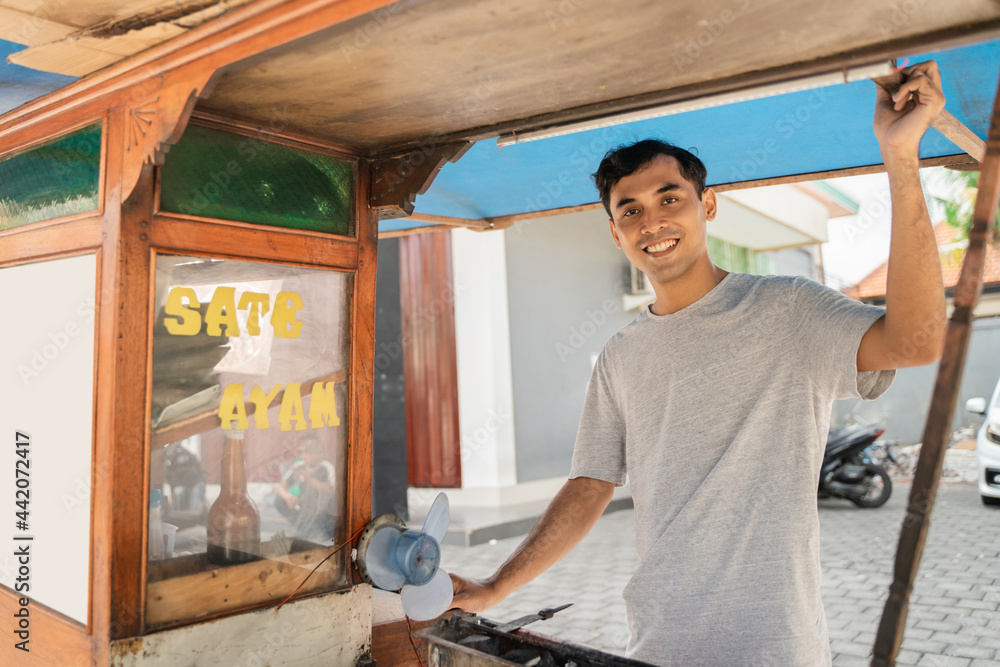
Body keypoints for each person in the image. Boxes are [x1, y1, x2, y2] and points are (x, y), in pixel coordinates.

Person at [449, 62, 947, 665]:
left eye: (668, 198)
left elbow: (918, 341)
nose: (651, 221)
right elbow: (591, 485)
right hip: (659, 639)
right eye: (628, 209)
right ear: (615, 234)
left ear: (707, 205)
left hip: (774, 644)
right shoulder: (620, 355)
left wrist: (901, 156)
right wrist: (496, 586)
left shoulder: (787, 308)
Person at [272, 433, 336, 540]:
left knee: (329, 504)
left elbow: (333, 490)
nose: (304, 455)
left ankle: (323, 532)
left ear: (317, 453)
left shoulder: (326, 467)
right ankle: (306, 531)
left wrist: (310, 480)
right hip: (306, 506)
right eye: (302, 452)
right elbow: (281, 486)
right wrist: (287, 496)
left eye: (308, 452)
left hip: (322, 508)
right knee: (279, 500)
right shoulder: (299, 466)